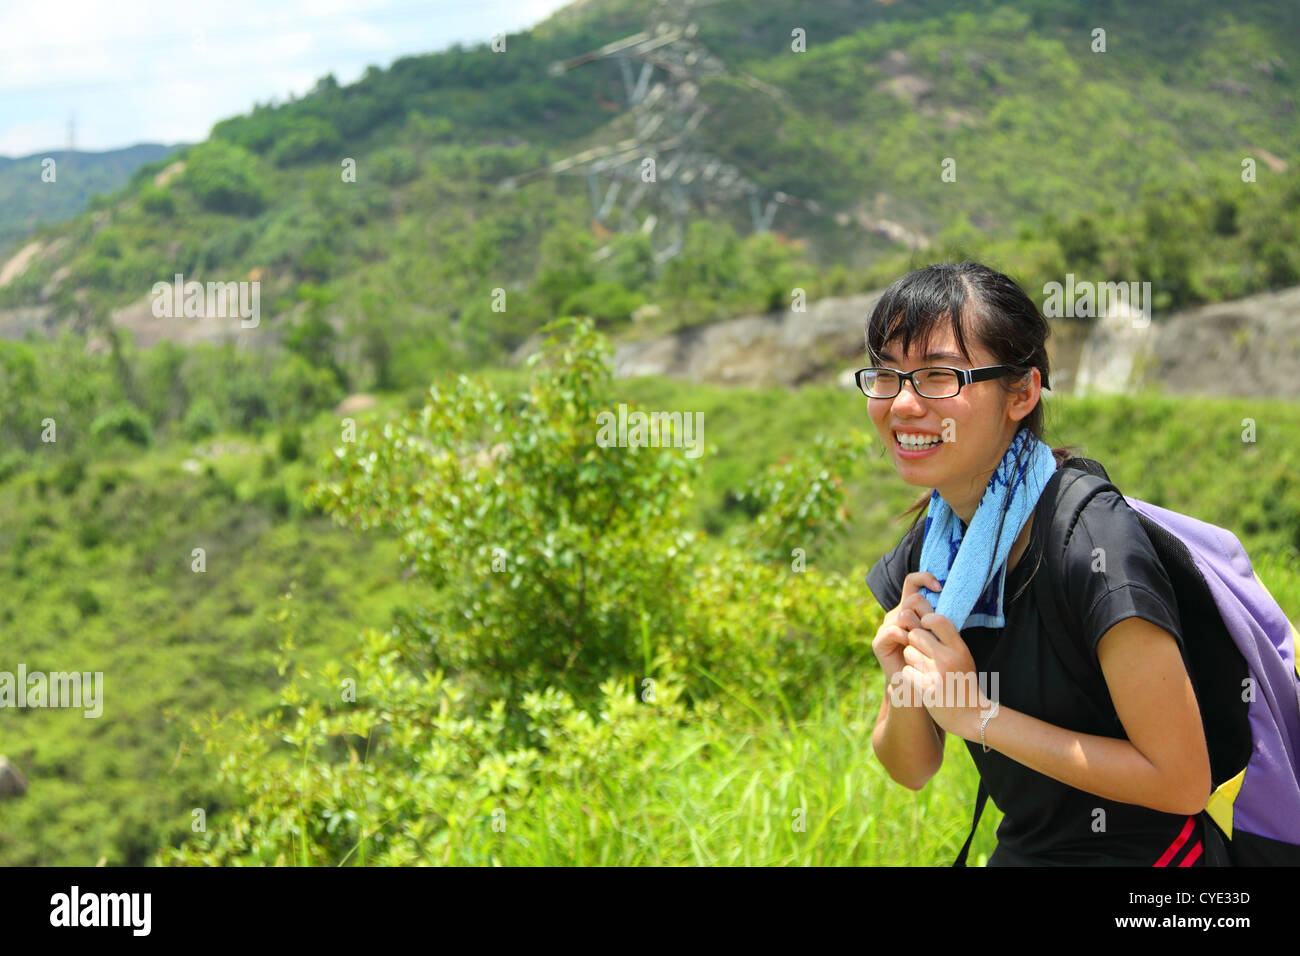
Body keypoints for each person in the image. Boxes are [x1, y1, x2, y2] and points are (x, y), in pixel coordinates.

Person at [863, 261, 1213, 866]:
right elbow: (912, 769)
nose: (903, 404)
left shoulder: (1092, 544)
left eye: (939, 376)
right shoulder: (935, 550)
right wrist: (904, 678)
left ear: (1021, 392)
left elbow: (1181, 783)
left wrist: (981, 714)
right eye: (887, 375)